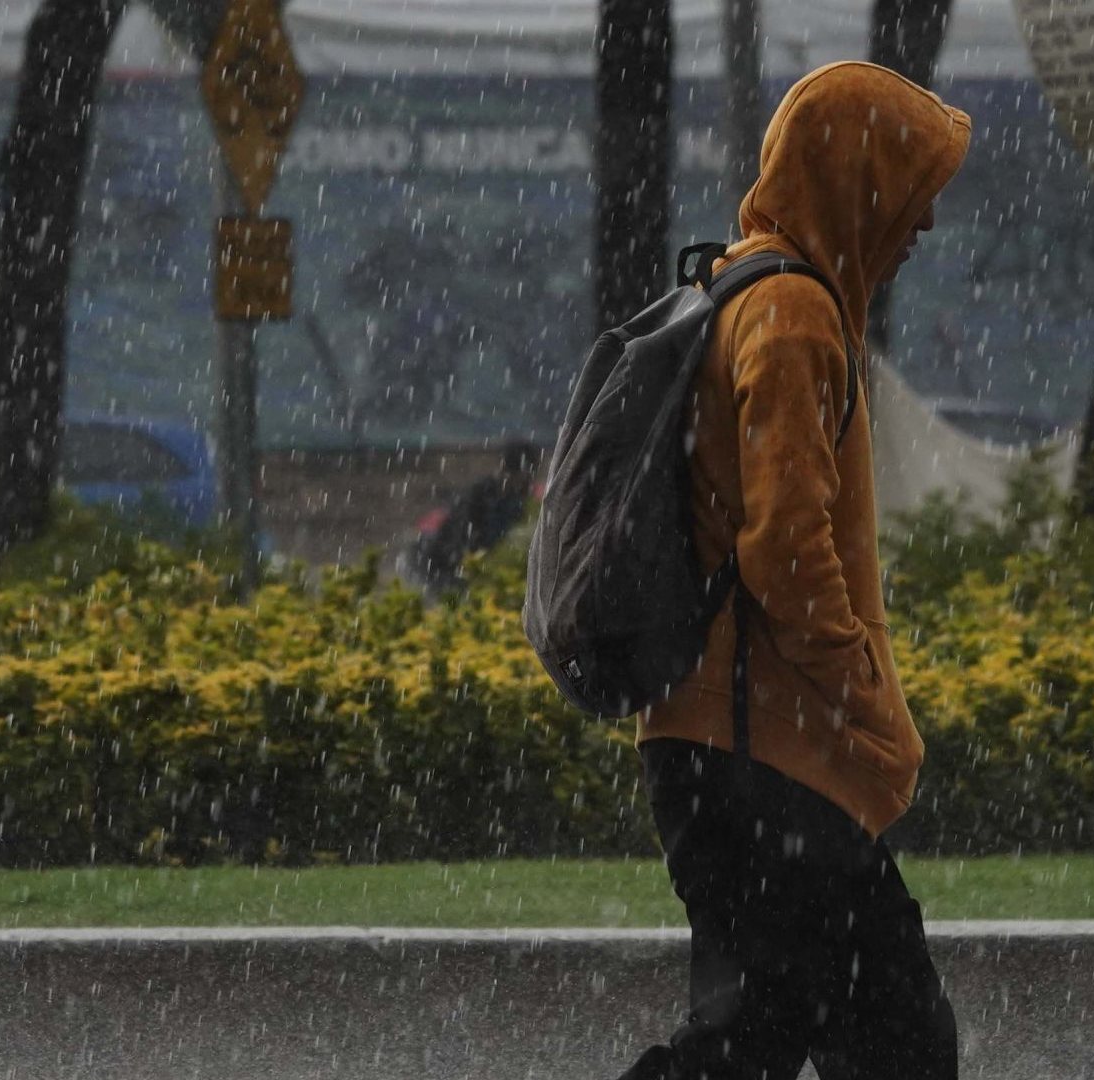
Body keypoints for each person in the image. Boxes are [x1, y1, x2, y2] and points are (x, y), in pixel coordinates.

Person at [620, 63, 971, 1080]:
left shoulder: (741, 288)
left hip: (732, 752)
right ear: (855, 183)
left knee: (768, 1035)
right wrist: (860, 692)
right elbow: (785, 546)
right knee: (885, 1039)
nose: (926, 224)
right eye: (910, 187)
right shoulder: (792, 316)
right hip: (769, 760)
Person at [407, 438, 538, 593]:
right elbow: (460, 539)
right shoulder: (481, 494)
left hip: (461, 565)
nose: (530, 481)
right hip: (437, 562)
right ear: (510, 471)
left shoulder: (518, 503)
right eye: (527, 475)